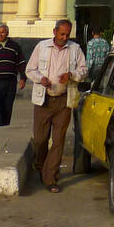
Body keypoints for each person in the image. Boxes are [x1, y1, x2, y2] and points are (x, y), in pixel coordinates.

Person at [26, 20, 88, 193]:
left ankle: (51, 178)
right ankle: (40, 166)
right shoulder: (42, 47)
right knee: (40, 139)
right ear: (54, 32)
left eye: (67, 34)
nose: (64, 37)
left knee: (58, 141)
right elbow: (29, 70)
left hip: (64, 100)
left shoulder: (74, 49)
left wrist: (71, 75)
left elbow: (84, 70)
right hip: (43, 100)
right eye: (61, 34)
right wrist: (41, 79)